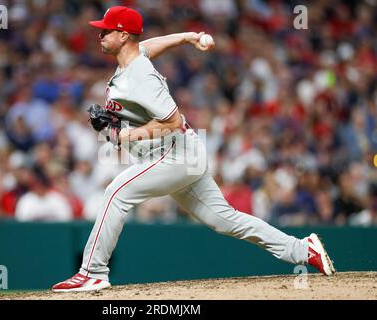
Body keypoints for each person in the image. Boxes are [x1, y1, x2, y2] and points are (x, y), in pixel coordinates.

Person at [52, 6, 335, 292]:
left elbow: (172, 122)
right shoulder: (133, 59)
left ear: (124, 36)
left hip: (175, 154)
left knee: (116, 192)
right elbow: (147, 46)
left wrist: (125, 135)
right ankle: (303, 249)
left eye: (106, 30)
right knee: (225, 220)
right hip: (184, 153)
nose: (99, 34)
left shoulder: (141, 76)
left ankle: (94, 272)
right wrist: (186, 36)